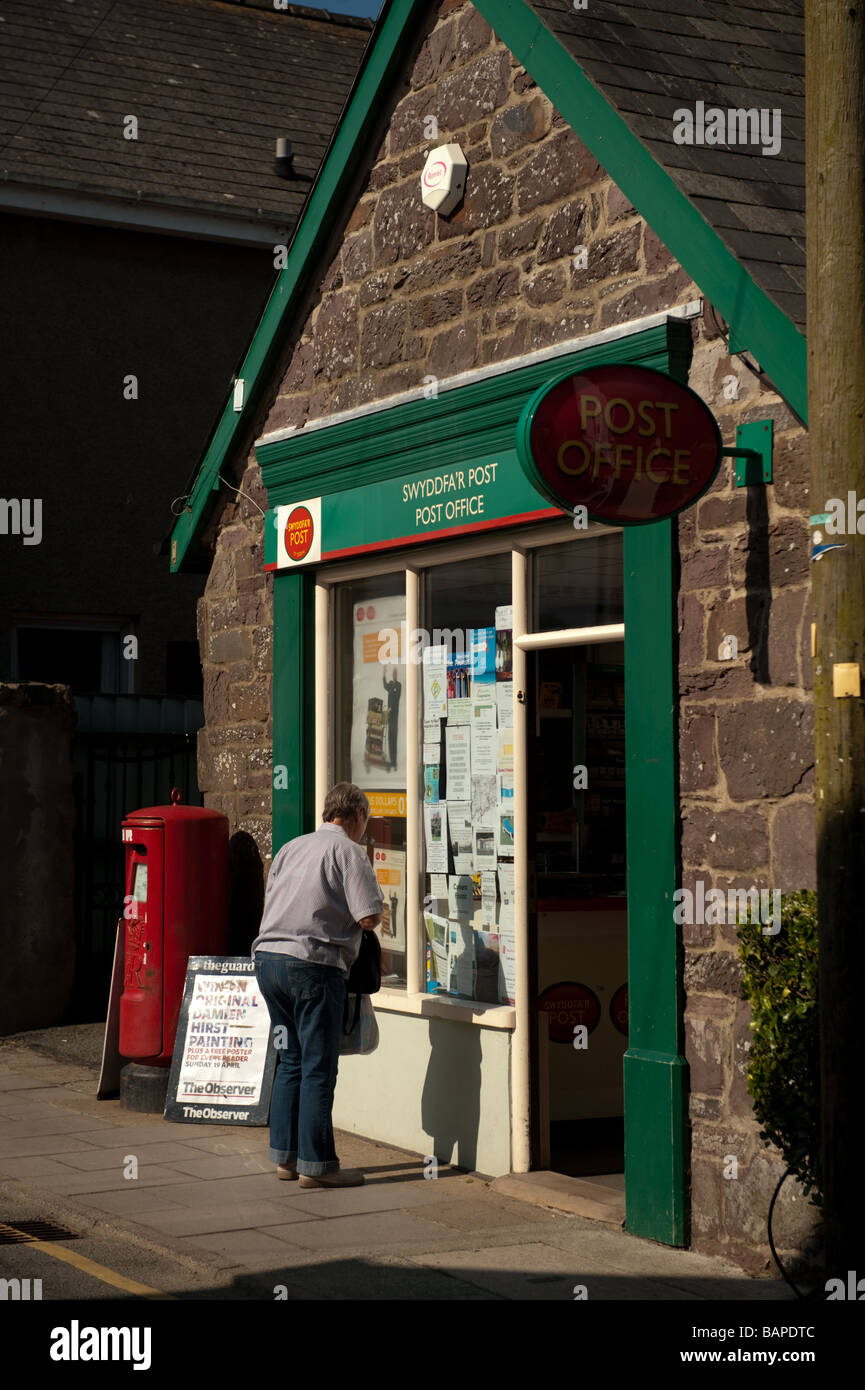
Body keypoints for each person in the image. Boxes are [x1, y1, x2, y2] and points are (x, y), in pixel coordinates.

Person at [252, 783, 383, 1188]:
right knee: (318, 1068)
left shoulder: (292, 847)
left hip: (268, 962)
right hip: (312, 965)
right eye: (365, 821)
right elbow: (368, 917)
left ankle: (285, 1160)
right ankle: (318, 1166)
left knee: (289, 1060)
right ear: (356, 816)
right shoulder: (349, 852)